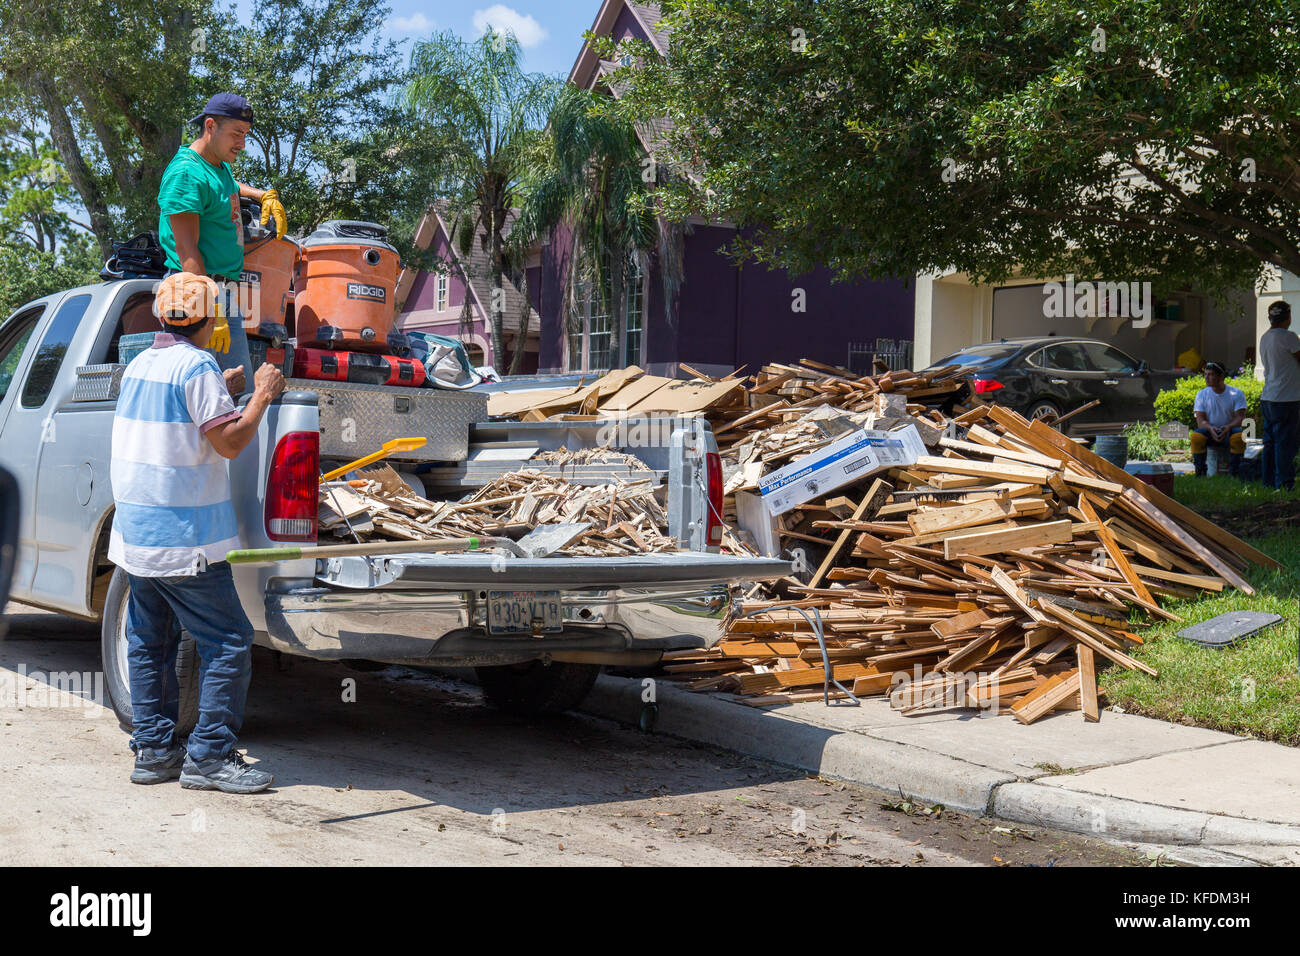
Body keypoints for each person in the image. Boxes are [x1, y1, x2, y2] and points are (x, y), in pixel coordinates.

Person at [109, 272, 286, 793]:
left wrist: (220, 389)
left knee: (148, 642)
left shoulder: (142, 364)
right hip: (185, 541)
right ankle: (210, 758)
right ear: (210, 321)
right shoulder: (197, 364)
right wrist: (261, 395)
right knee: (228, 640)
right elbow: (229, 442)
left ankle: (153, 752)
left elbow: (176, 419)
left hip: (137, 536)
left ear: (162, 317)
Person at [157, 93, 287, 389]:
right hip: (192, 293)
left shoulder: (216, 164)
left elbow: (226, 184)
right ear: (211, 126)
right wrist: (210, 309)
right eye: (237, 134)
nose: (242, 144)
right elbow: (187, 251)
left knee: (236, 389)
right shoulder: (185, 174)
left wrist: (262, 195)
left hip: (220, 292)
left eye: (246, 135)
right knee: (204, 391)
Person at [1259, 300, 1300, 490]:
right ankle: (1284, 483)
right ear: (1288, 317)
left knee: (1270, 442)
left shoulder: (1265, 337)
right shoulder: (1289, 337)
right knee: (1285, 443)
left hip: (1268, 397)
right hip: (1286, 398)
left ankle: (1267, 482)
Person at [1190, 361, 1247, 477]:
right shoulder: (1202, 395)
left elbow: (1240, 418)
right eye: (1205, 374)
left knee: (1239, 436)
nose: (1207, 378)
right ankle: (1200, 472)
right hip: (1210, 431)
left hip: (1230, 431)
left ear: (1221, 376)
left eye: (1210, 374)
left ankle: (1234, 473)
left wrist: (1228, 427)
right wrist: (1211, 428)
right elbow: (1200, 421)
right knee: (1196, 437)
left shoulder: (1236, 394)